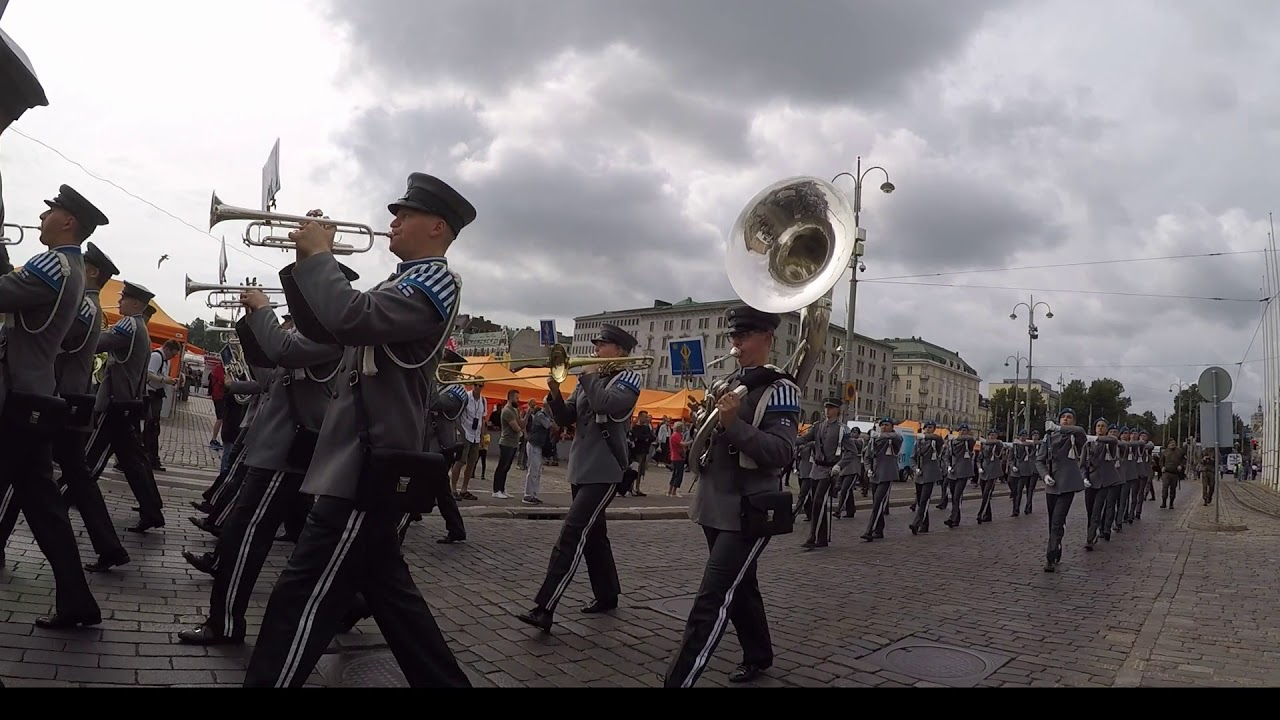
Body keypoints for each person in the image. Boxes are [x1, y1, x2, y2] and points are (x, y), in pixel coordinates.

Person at [243, 172, 475, 688]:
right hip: (358, 457)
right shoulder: (402, 282)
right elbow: (321, 329)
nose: (392, 221)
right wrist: (308, 261)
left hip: (367, 461)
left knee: (299, 600)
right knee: (395, 602)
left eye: (405, 214)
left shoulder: (434, 280)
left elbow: (350, 317)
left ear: (438, 227)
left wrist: (322, 258)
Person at [177, 283, 348, 646]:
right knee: (295, 540)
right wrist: (251, 319)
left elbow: (282, 351)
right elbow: (269, 375)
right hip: (277, 450)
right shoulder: (311, 336)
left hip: (284, 454)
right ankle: (354, 600)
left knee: (244, 538)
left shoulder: (327, 337)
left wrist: (263, 310)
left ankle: (224, 624)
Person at [663, 305, 800, 687]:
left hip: (748, 508)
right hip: (714, 503)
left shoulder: (781, 389)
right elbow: (709, 445)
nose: (737, 343)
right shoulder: (726, 383)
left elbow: (781, 453)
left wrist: (731, 423)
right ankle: (759, 654)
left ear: (767, 338)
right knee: (742, 586)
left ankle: (680, 679)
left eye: (745, 335)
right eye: (734, 336)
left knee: (713, 596)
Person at [0, 184, 105, 628]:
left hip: (17, 395)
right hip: (35, 393)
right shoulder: (73, 267)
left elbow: (4, 294)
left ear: (68, 222)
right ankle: (78, 603)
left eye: (50, 213)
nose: (40, 220)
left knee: (45, 506)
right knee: (45, 509)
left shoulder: (54, 262)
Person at [515, 323, 643, 632]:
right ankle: (608, 594)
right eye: (597, 344)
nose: (596, 349)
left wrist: (586, 374)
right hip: (581, 468)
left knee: (573, 533)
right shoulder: (592, 378)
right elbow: (564, 418)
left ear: (620, 351)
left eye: (602, 345)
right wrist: (555, 392)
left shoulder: (629, 378)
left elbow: (606, 405)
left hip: (605, 469)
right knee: (594, 537)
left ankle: (545, 607)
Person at [1036, 408, 1088, 572]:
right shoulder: (1049, 437)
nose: (1066, 419)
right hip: (1052, 485)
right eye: (1063, 417)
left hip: (1067, 485)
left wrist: (1059, 428)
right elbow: (1040, 460)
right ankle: (1057, 545)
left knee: (1057, 520)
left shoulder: (1075, 435)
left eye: (1069, 417)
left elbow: (1081, 431)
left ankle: (1050, 558)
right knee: (1053, 521)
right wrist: (1044, 476)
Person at [798, 399, 843, 549]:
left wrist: (838, 465)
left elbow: (851, 452)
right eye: (826, 408)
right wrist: (789, 439)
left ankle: (812, 537)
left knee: (818, 501)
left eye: (831, 408)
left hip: (828, 471)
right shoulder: (818, 426)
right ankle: (822, 538)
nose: (827, 411)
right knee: (817, 503)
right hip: (815, 469)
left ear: (837, 410)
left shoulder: (841, 430)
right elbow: (805, 439)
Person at [143, 339, 182, 471]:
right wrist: (164, 380)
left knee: (154, 427)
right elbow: (149, 374)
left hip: (157, 394)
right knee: (151, 426)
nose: (173, 357)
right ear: (167, 349)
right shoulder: (156, 356)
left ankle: (152, 458)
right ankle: (148, 456)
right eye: (173, 354)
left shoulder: (166, 360)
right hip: (151, 393)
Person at [862, 417, 902, 542]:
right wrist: (868, 469)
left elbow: (898, 438)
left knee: (878, 502)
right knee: (876, 503)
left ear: (892, 427)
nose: (884, 427)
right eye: (882, 425)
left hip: (887, 474)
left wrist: (880, 435)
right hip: (875, 474)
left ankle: (869, 530)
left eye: (887, 425)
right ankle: (879, 530)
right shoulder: (874, 440)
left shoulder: (894, 438)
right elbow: (867, 457)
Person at [910, 421, 944, 534]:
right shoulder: (918, 442)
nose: (928, 429)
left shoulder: (936, 441)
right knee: (920, 500)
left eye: (930, 427)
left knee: (924, 500)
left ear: (934, 429)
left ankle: (916, 523)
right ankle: (925, 525)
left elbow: (940, 439)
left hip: (930, 474)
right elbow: (912, 458)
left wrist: (925, 435)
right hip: (919, 475)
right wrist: (915, 468)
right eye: (926, 427)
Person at [942, 424, 978, 528]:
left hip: (963, 471)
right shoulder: (952, 442)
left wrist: (963, 437)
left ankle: (952, 518)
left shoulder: (968, 442)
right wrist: (948, 466)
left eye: (965, 430)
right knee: (953, 496)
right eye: (961, 430)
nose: (963, 432)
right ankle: (956, 518)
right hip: (953, 471)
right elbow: (947, 456)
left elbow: (972, 440)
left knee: (957, 495)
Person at [1160, 438, 1187, 509]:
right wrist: (1162, 467)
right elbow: (1161, 461)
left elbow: (1184, 460)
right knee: (1165, 488)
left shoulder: (1180, 451)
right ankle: (1164, 502)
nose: (1172, 444)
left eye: (1173, 442)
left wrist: (1181, 465)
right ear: (1168, 444)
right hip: (1166, 473)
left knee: (1173, 489)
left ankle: (1171, 503)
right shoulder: (1165, 452)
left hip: (1175, 473)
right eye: (1171, 443)